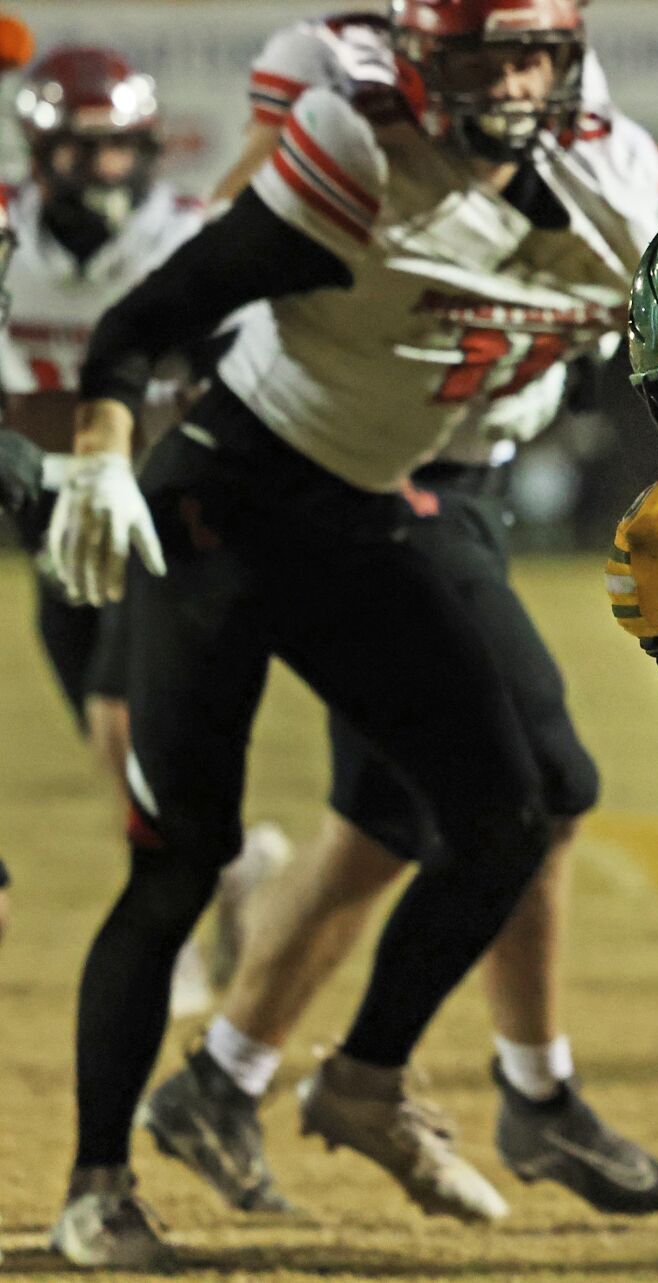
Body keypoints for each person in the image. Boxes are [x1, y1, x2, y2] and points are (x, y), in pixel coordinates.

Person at [43, 0, 658, 1266]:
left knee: (508, 815)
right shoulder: (362, 151)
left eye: (532, 56)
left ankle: (364, 1075)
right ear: (424, 63)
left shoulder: (614, 176)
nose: (511, 84)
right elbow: (143, 321)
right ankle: (96, 1185)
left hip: (364, 514)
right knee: (180, 861)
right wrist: (104, 451)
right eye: (483, 56)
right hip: (223, 506)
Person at [2, 45, 289, 1020]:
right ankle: (232, 861)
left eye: (120, 147)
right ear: (39, 152)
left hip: (163, 508)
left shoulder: (185, 237)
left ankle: (172, 920)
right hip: (53, 517)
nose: (105, 169)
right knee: (109, 731)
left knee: (126, 721)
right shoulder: (9, 234)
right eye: (81, 150)